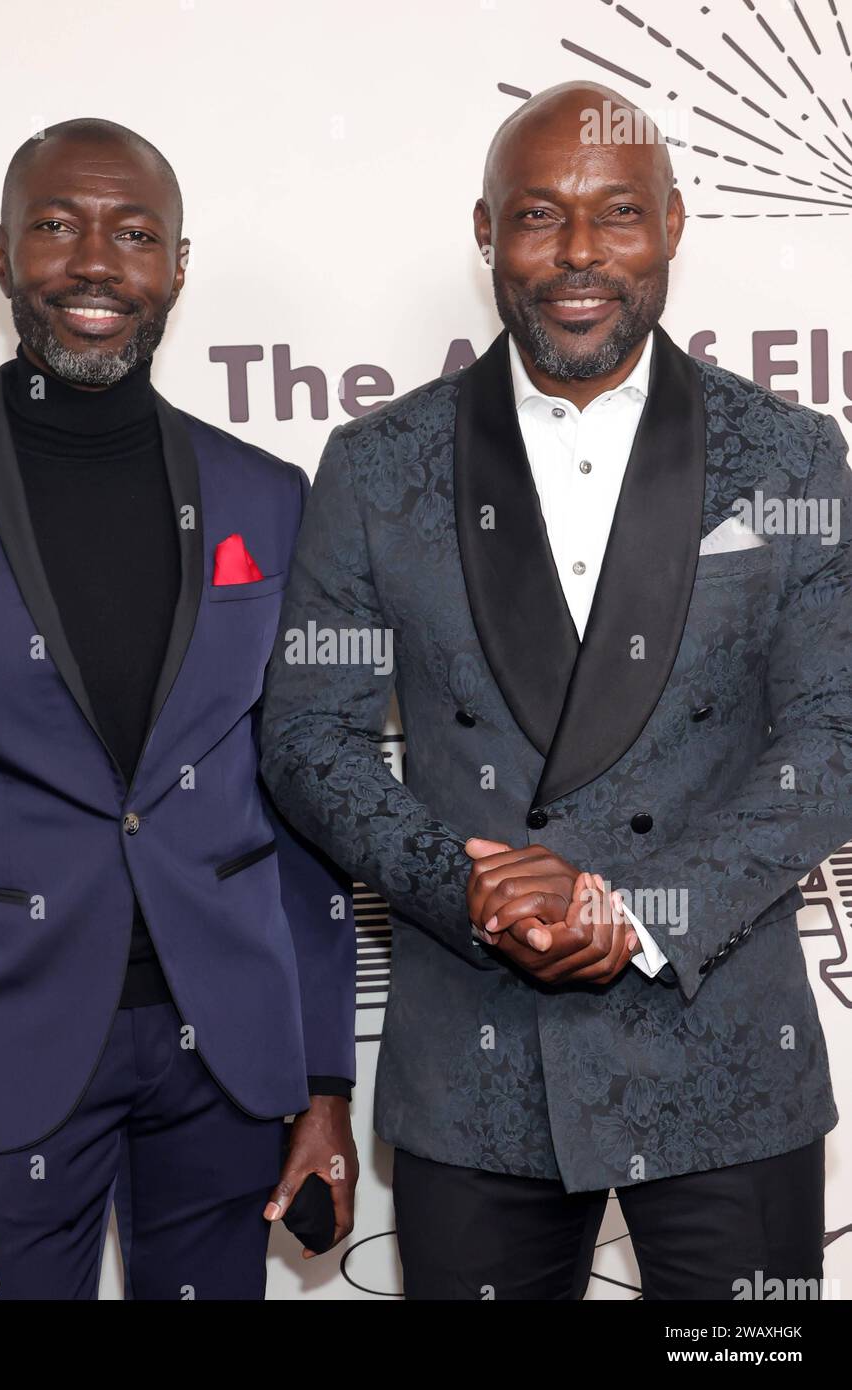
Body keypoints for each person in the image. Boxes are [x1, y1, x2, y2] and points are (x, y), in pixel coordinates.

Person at [260, 82, 852, 1300]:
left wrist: (638, 912)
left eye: (618, 214)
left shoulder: (791, 456)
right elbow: (309, 738)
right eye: (539, 215)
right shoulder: (378, 467)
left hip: (724, 1058)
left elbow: (834, 735)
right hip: (476, 1065)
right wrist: (465, 881)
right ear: (486, 232)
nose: (580, 253)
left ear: (675, 224)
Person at [0, 117, 356, 1300]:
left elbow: (308, 812)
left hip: (227, 1054)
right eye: (57, 226)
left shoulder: (269, 502)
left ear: (177, 264)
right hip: (8, 1059)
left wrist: (327, 1079)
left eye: (134, 234)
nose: (94, 264)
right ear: (2, 253)